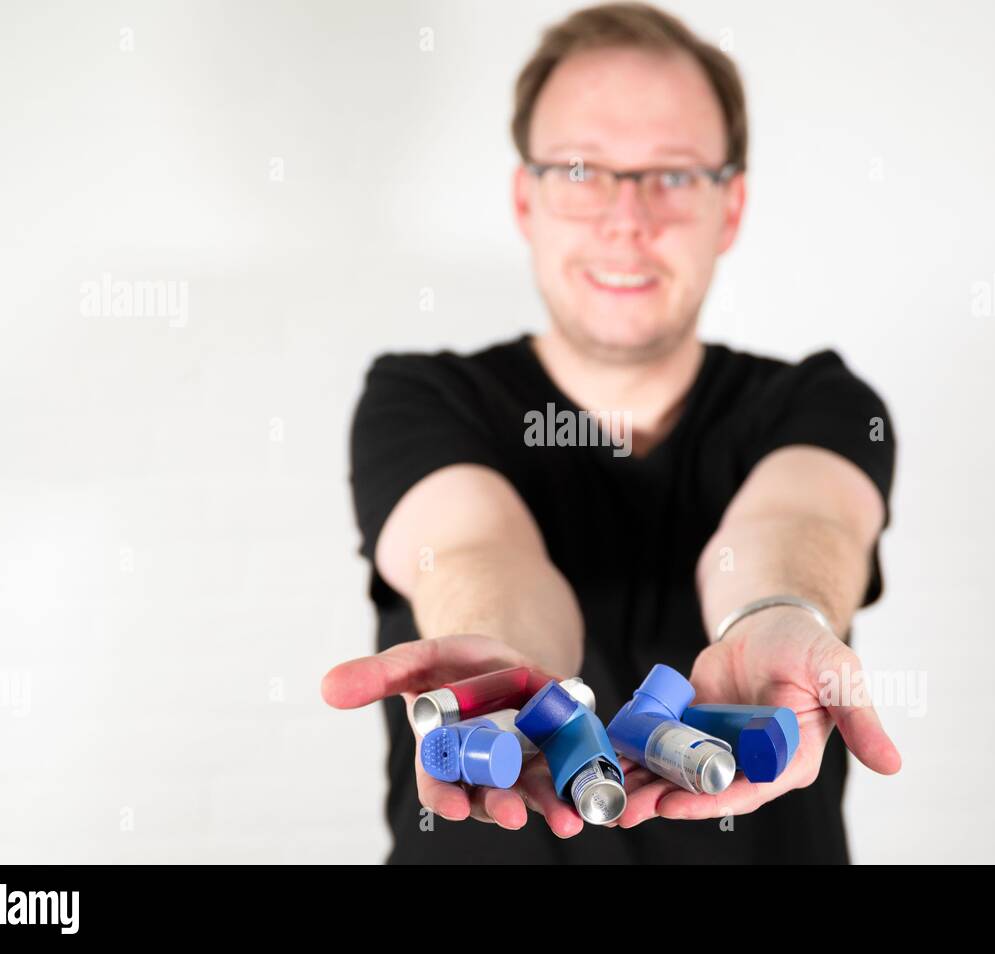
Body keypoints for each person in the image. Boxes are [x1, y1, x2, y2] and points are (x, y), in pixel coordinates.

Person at [321, 1, 901, 864]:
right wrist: (508, 662)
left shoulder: (821, 401)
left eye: (674, 174)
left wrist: (778, 610)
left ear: (731, 206)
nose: (626, 218)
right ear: (526, 198)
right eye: (580, 169)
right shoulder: (422, 399)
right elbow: (479, 554)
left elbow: (800, 524)